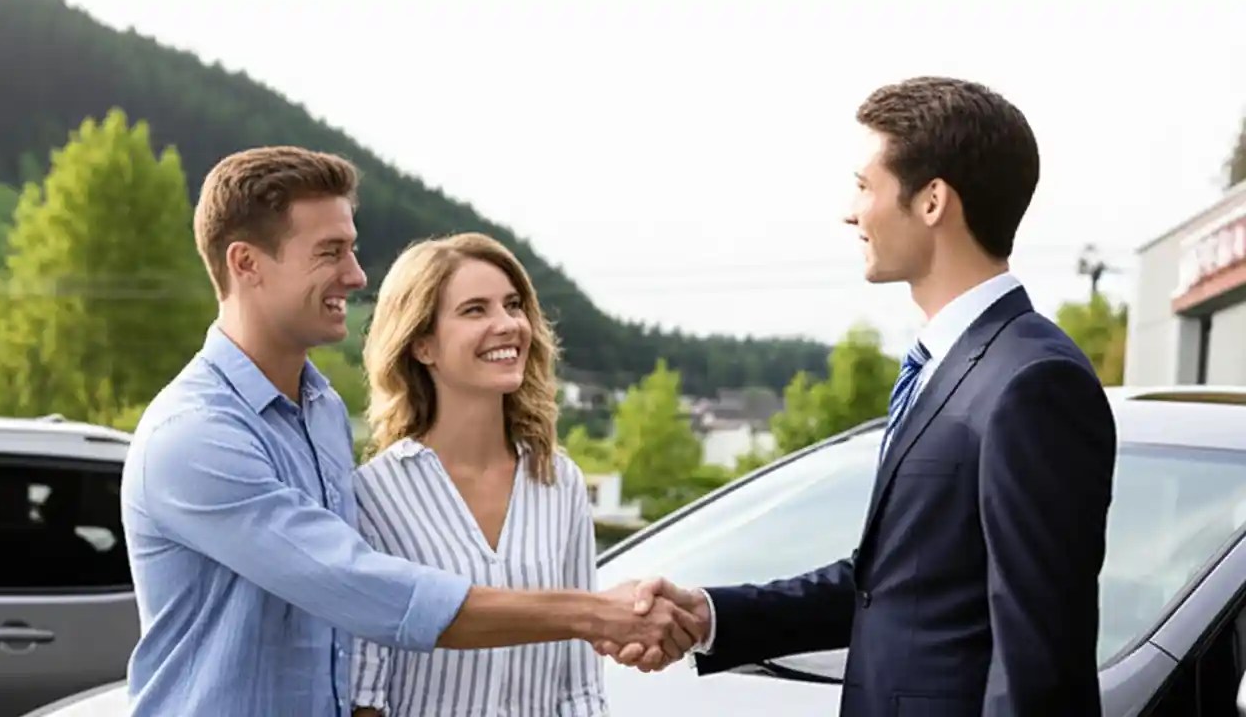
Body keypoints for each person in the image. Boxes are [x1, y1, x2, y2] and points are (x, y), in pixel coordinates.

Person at [602, 76, 1118, 716]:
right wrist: (709, 615)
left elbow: (1042, 656)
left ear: (932, 201)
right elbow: (889, 588)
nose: (851, 211)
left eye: (864, 185)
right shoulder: (945, 365)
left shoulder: (1033, 382)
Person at [120, 146, 697, 716]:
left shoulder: (319, 408)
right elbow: (362, 588)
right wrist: (594, 613)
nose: (356, 274)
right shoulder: (194, 435)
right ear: (246, 264)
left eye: (352, 250)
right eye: (330, 252)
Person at [348, 232, 608, 716]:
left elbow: (580, 680)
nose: (508, 325)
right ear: (422, 344)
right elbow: (365, 692)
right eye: (475, 310)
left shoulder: (559, 482)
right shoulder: (372, 496)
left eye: (513, 305)